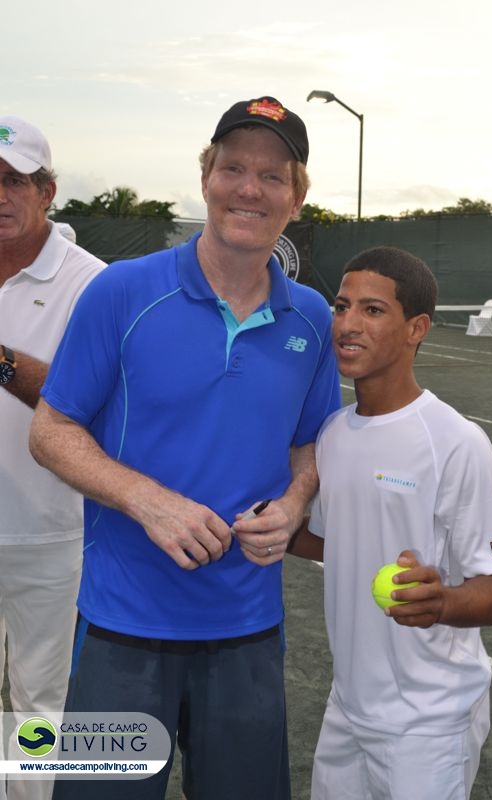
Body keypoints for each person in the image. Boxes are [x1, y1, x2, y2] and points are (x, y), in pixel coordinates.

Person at [29, 96, 341, 800]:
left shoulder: (311, 319)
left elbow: (310, 446)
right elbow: (51, 430)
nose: (249, 189)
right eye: (233, 167)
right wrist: (149, 501)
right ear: (206, 176)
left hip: (247, 632)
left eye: (272, 176)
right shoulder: (121, 291)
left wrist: (293, 506)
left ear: (295, 198)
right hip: (120, 628)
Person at [288, 246, 492, 800]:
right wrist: (277, 533)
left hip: (429, 723)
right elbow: (338, 542)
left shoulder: (456, 443)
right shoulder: (334, 435)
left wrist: (440, 603)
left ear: (417, 328)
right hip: (347, 707)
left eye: (372, 310)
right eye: (342, 307)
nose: (347, 324)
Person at [0, 115, 105, 800]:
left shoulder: (91, 283)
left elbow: (85, 400)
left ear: (47, 191)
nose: (0, 195)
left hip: (47, 530)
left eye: (13, 180)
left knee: (40, 702)